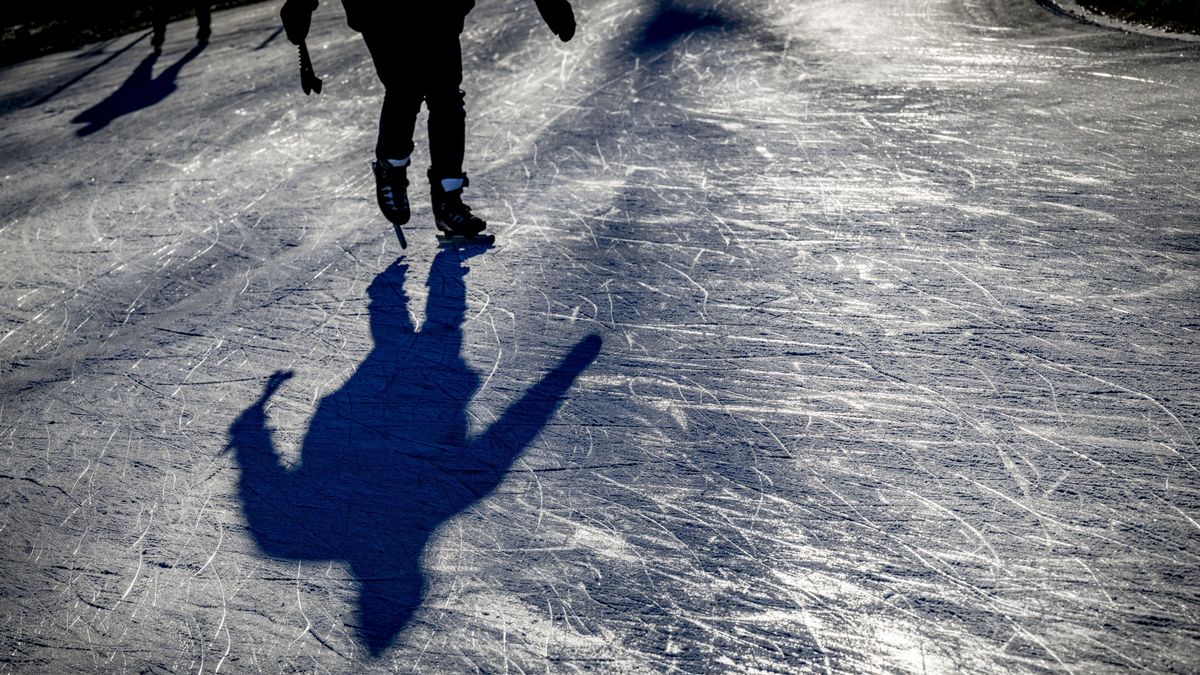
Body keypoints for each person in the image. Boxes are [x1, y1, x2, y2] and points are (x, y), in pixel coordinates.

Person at [280, 0, 576, 241]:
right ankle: (391, 168)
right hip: (380, 11)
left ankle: (449, 199)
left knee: (445, 96)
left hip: (439, 8)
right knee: (405, 88)